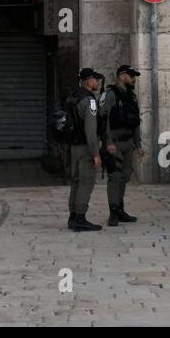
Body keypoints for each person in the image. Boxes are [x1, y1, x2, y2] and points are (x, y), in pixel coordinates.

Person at [99, 64, 143, 226]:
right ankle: (113, 211)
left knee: (125, 177)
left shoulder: (132, 97)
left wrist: (138, 144)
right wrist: (108, 142)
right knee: (114, 177)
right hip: (114, 143)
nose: (134, 79)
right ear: (122, 76)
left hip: (128, 143)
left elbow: (136, 122)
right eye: (131, 76)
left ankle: (120, 209)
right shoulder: (110, 95)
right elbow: (103, 121)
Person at [64, 68, 104, 232]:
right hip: (85, 148)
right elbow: (90, 131)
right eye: (96, 79)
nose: (98, 82)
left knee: (76, 182)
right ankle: (80, 218)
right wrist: (95, 154)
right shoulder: (89, 101)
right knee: (86, 183)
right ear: (88, 81)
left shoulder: (73, 96)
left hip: (73, 147)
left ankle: (72, 217)